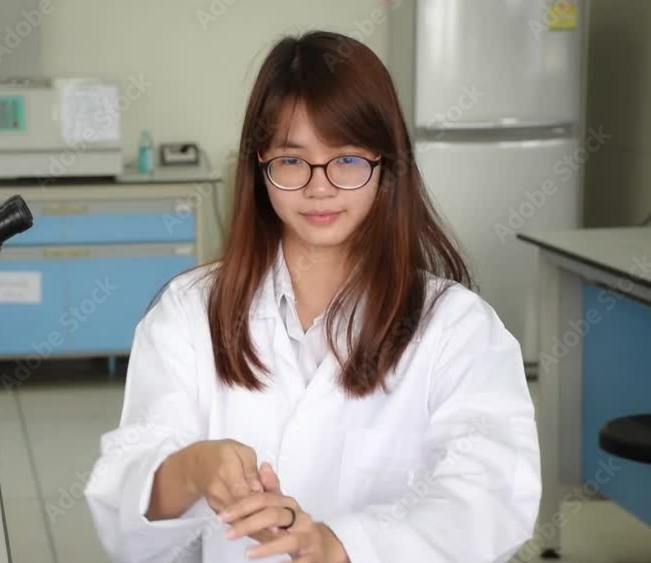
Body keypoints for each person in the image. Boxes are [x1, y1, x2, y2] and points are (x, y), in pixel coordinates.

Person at [84, 30, 541, 563]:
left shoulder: (456, 326)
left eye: (347, 159)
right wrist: (193, 467)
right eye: (292, 160)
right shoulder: (189, 312)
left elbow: (491, 492)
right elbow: (122, 501)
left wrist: (341, 544)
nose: (318, 187)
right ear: (260, 169)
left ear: (386, 167)